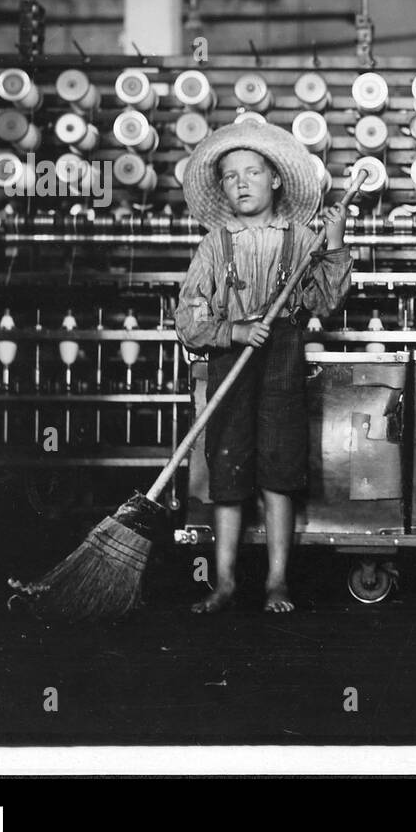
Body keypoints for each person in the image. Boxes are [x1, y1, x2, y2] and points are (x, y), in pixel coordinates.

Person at [175, 122, 352, 613]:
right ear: (222, 189)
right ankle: (225, 582)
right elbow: (189, 317)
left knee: (279, 471)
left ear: (276, 180)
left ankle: (277, 582)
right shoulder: (215, 243)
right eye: (231, 177)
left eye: (253, 172)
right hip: (231, 362)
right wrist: (231, 332)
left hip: (283, 359)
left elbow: (326, 300)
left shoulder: (301, 239)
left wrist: (333, 242)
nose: (242, 183)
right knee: (227, 474)